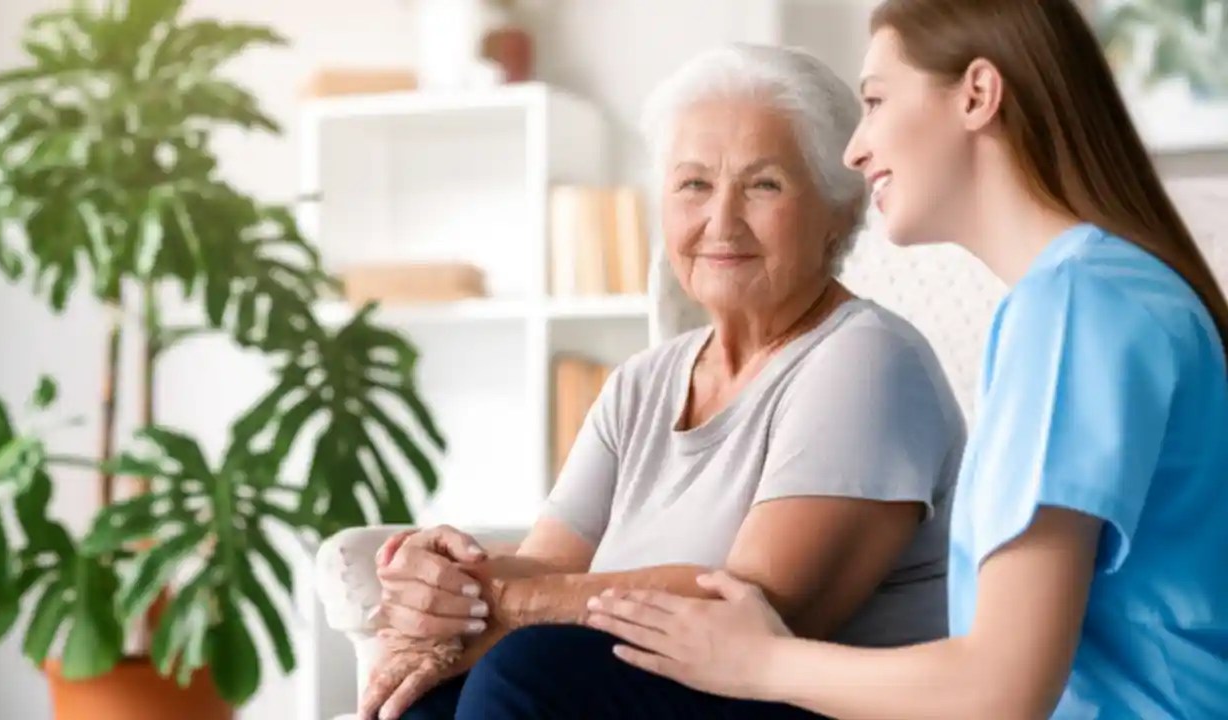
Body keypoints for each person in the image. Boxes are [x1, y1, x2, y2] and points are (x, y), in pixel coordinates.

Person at [586, 1, 1228, 718]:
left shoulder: (1078, 308)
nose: (855, 150)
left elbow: (1001, 687)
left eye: (875, 101)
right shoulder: (1093, 296)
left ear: (978, 95)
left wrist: (760, 661)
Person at [358, 44, 966, 720]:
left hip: (796, 702)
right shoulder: (641, 383)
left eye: (764, 185)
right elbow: (545, 564)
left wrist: (499, 605)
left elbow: (752, 606)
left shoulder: (867, 361)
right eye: (694, 185)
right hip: (659, 692)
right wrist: (446, 587)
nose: (721, 221)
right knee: (429, 696)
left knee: (529, 669)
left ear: (839, 213)